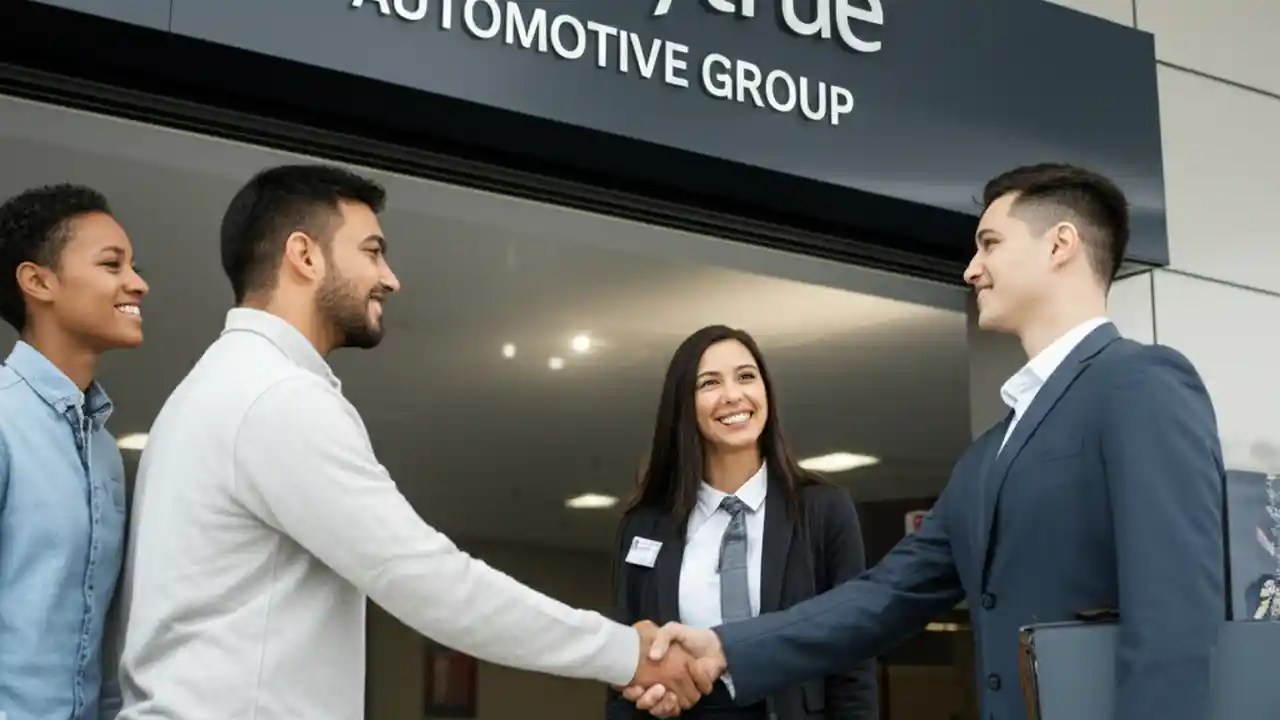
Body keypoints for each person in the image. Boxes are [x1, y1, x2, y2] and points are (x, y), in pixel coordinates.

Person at [628, 163, 1228, 720]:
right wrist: (723, 644)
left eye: (989, 243)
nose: (971, 268)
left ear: (1059, 245)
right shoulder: (990, 453)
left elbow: (1175, 618)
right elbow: (883, 598)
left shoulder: (1141, 383)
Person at [113, 164, 707, 719]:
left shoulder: (214, 388)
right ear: (304, 256)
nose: (390, 279)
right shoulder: (275, 398)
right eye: (372, 252)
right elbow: (429, 582)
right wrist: (624, 652)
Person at [607, 325, 878, 720]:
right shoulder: (644, 526)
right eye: (709, 383)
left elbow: (852, 661)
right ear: (683, 404)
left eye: (746, 377)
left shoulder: (824, 511)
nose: (733, 395)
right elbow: (623, 663)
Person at [0, 184, 149, 719]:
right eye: (113, 265)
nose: (138, 283)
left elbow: (101, 639)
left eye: (133, 265)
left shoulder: (105, 450)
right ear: (38, 281)